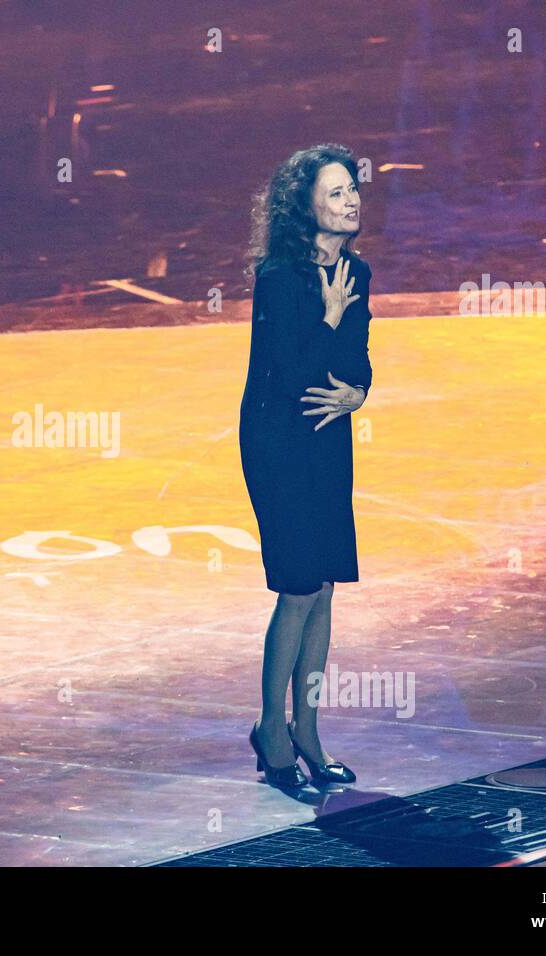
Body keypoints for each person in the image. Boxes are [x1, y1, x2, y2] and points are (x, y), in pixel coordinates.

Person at [238, 143, 373, 790]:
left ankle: (309, 732)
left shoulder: (358, 271)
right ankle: (271, 729)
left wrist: (360, 392)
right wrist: (330, 314)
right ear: (306, 204)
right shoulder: (280, 277)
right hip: (277, 442)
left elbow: (356, 357)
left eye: (353, 189)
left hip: (327, 437)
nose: (351, 200)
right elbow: (290, 374)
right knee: (297, 588)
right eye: (338, 191)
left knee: (322, 591)